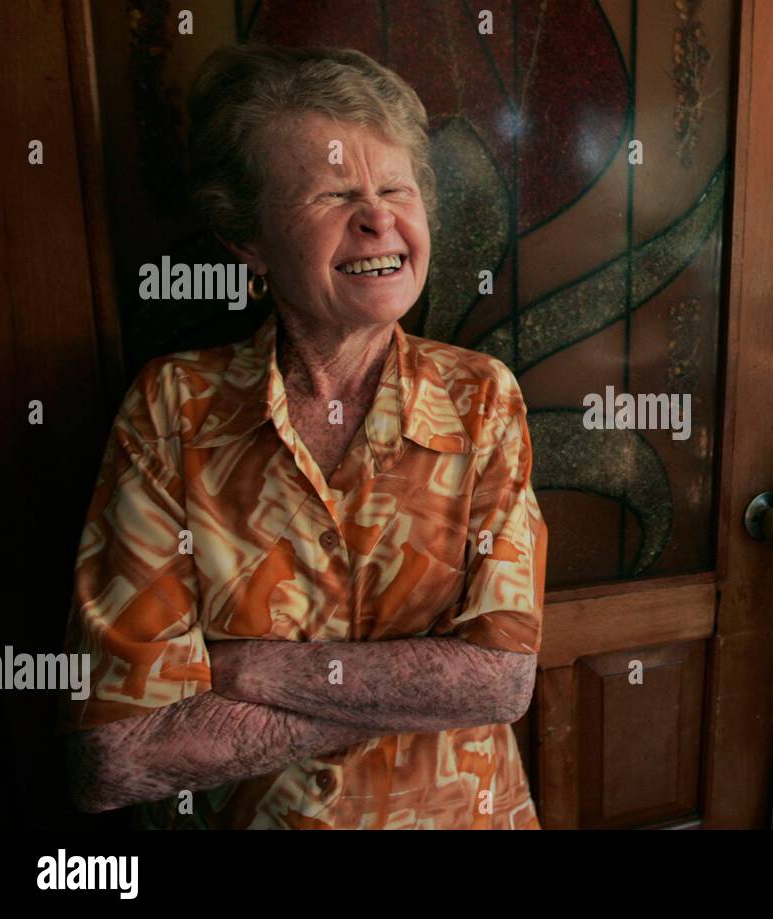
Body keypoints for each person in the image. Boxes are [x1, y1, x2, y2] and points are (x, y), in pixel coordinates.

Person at [61, 44, 548, 829]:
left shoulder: (480, 398)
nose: (380, 217)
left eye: (396, 187)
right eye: (333, 193)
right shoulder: (174, 409)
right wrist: (412, 688)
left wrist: (247, 668)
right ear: (246, 240)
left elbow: (498, 682)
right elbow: (117, 755)